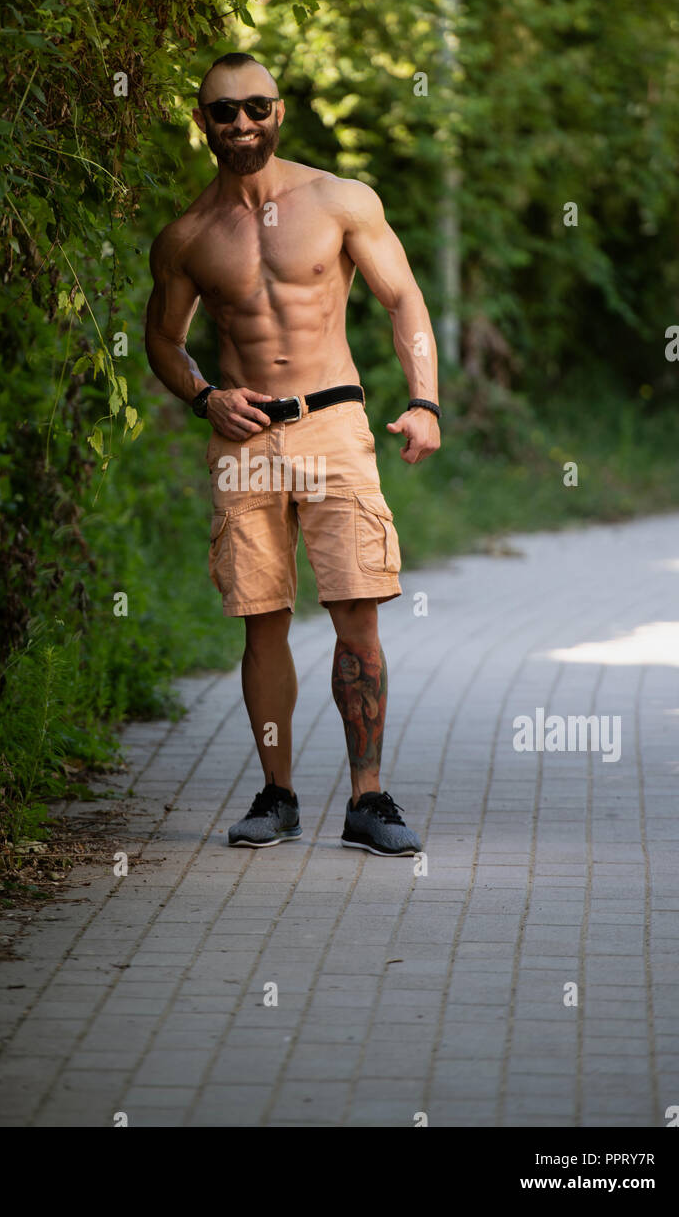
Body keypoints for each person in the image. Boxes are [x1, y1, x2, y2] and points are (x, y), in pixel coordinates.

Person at [145, 52, 441, 856]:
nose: (241, 122)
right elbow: (163, 342)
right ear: (201, 120)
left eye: (256, 106)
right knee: (261, 621)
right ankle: (276, 796)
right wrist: (205, 396)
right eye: (223, 111)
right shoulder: (188, 236)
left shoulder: (340, 201)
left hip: (334, 423)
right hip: (243, 440)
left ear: (280, 111)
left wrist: (423, 401)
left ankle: (369, 801)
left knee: (356, 611)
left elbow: (402, 297)